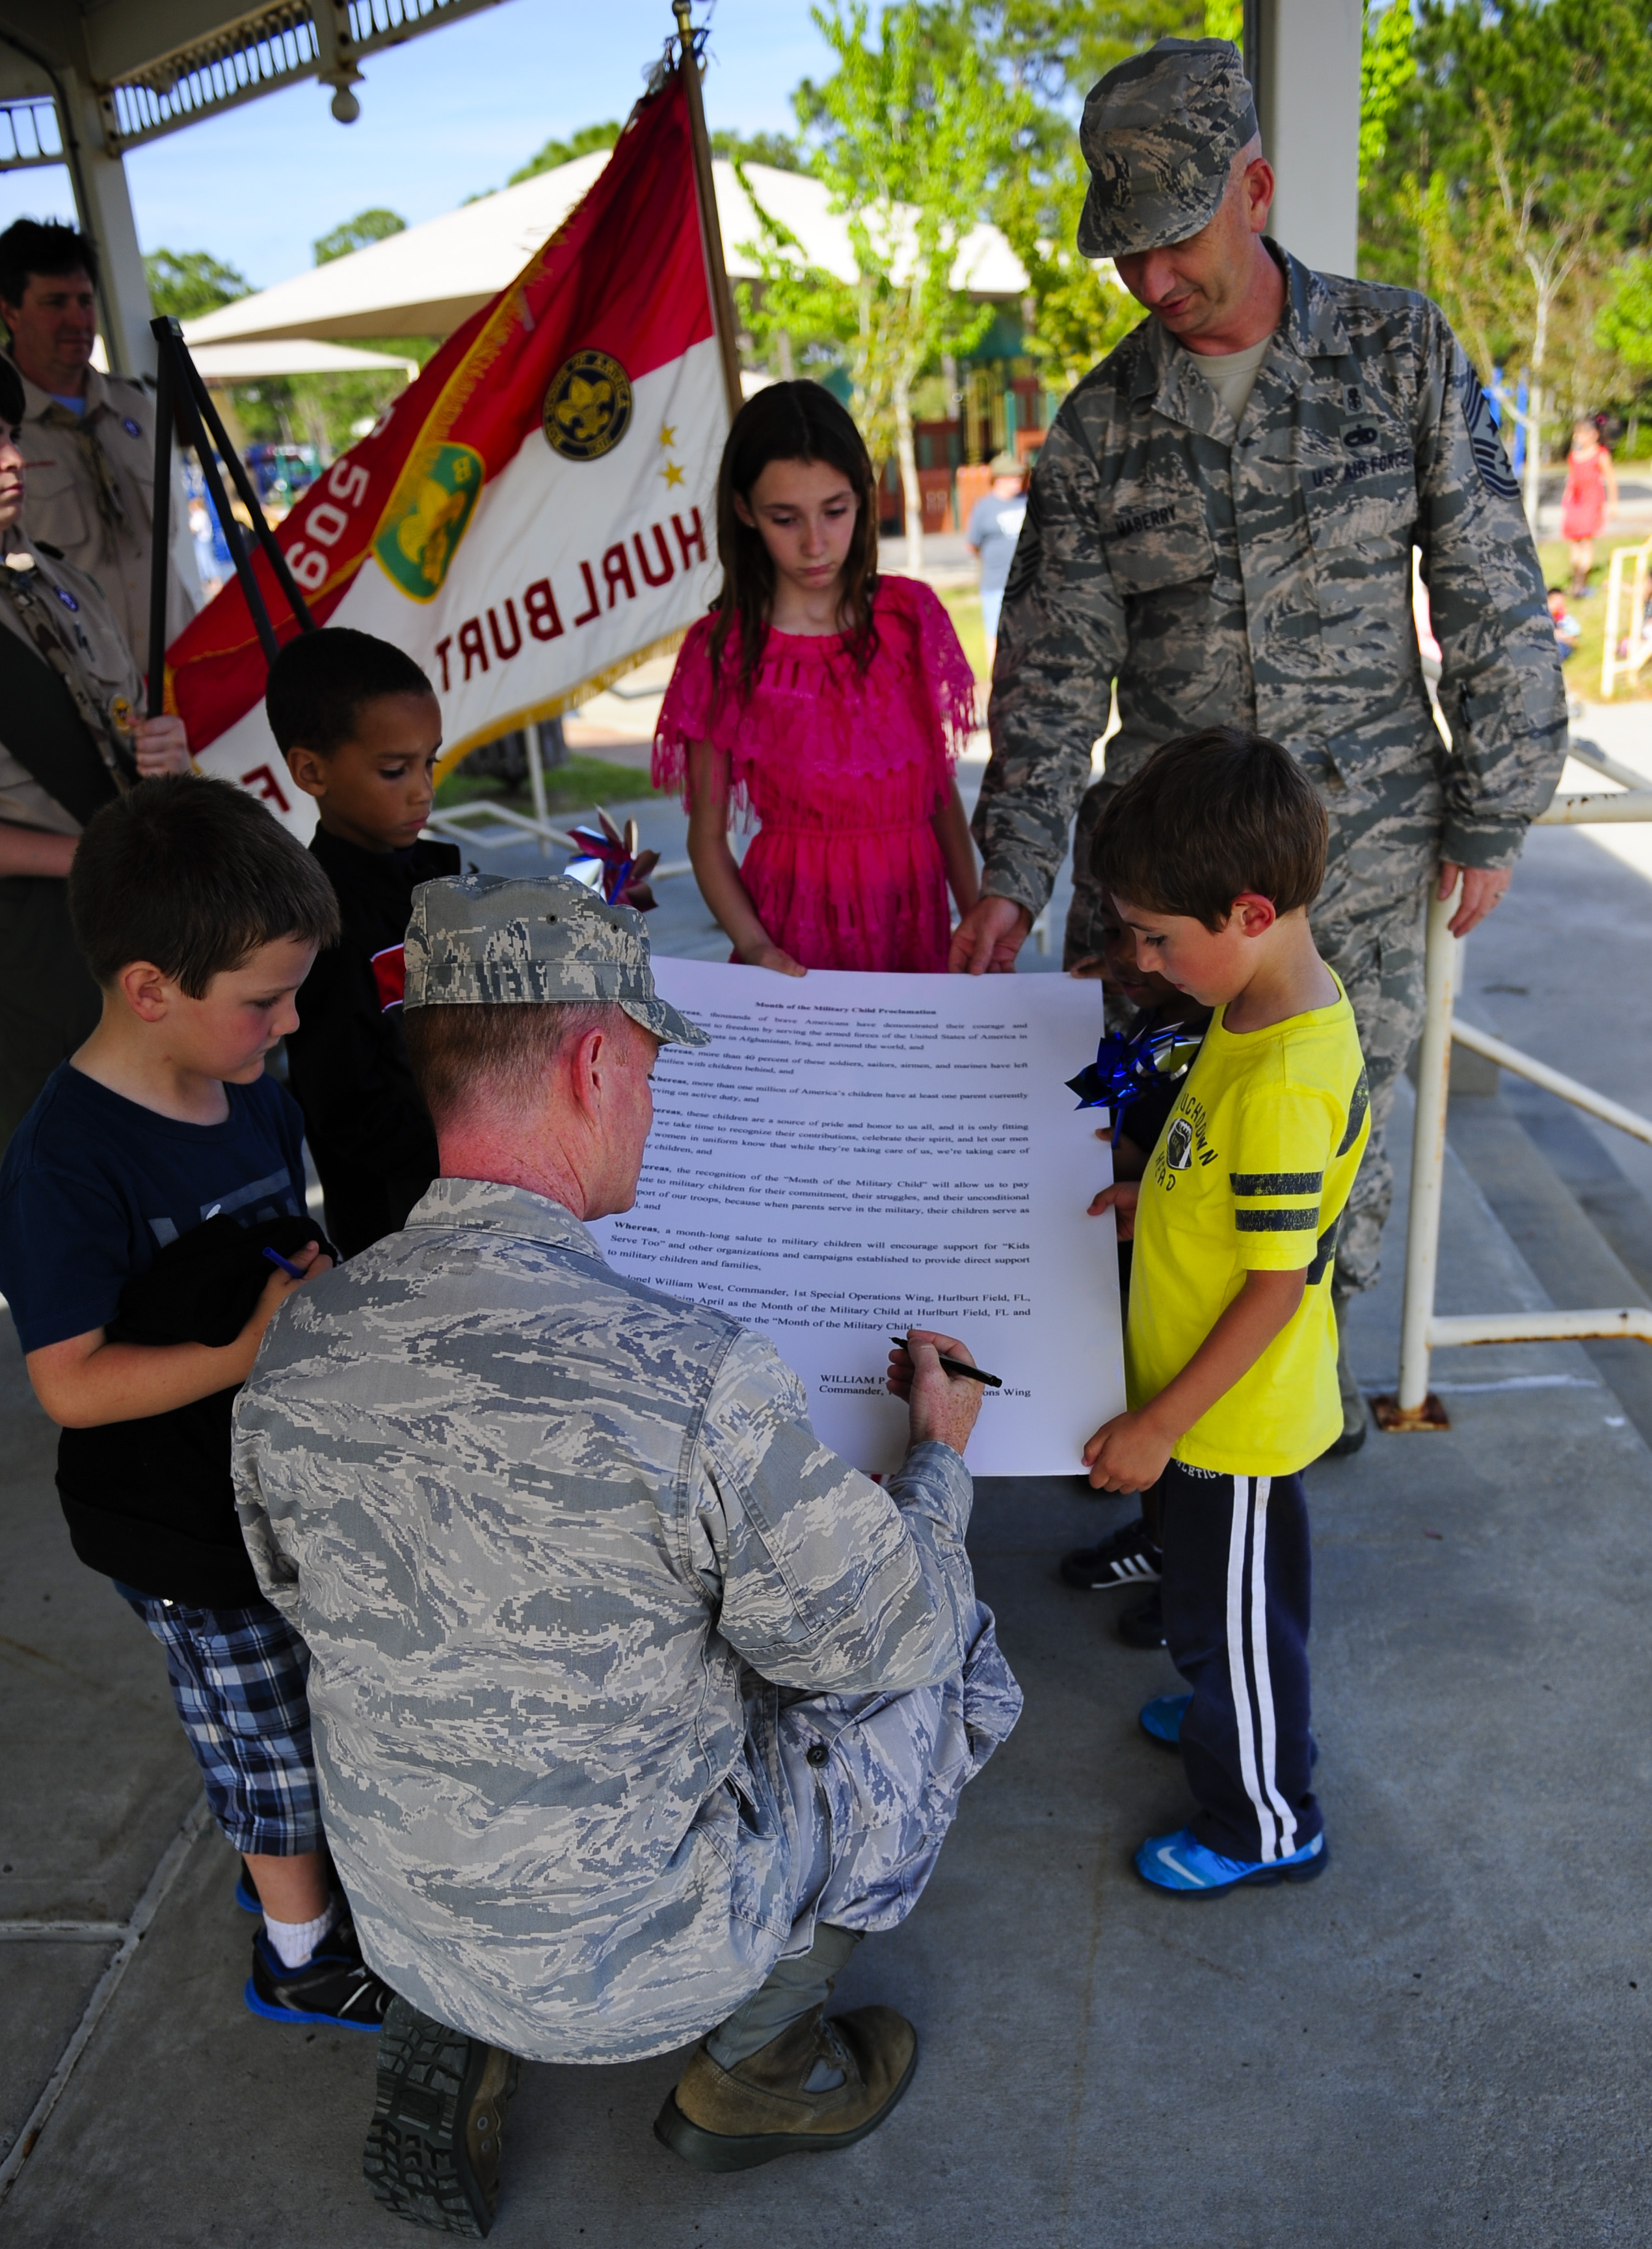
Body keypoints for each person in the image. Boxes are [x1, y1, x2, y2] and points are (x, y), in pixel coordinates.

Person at [233, 872, 1021, 2235]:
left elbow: (296, 1590)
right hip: (650, 1953)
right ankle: (754, 2062)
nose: (650, 1111)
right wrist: (935, 1461)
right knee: (948, 1657)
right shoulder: (690, 1375)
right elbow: (889, 1636)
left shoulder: (297, 1345)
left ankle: (453, 2005)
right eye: (650, 1074)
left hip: (404, 1911)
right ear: (596, 1062)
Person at [950, 35, 1567, 1455]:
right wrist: (1013, 871)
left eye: (1174, 240)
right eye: (1125, 255)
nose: (1153, 280)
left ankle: (1280, 1458)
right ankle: (1157, 1462)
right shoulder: (1102, 425)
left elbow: (1488, 577)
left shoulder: (1397, 351)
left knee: (1323, 1166)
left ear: (1254, 187)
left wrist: (1495, 804)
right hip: (1160, 896)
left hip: (1354, 863)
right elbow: (1047, 671)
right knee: (1143, 1158)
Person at [0, 774, 395, 2030]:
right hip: (169, 1519)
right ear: (150, 988)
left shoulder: (257, 1097)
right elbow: (67, 1381)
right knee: (265, 1735)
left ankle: (283, 1864)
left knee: (302, 1698)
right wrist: (241, 1351)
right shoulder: (64, 1163)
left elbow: (277, 1251)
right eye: (263, 1001)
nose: (286, 1025)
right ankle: (300, 1950)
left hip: (268, 1483)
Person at [1082, 729, 1366, 1896]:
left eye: (1159, 936)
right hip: (1206, 1411)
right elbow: (1229, 1189)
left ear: (1250, 911)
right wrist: (1157, 1200)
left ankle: (1265, 1818)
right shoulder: (1248, 1004)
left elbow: (1274, 1283)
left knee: (1241, 1617)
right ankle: (1228, 1689)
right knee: (1220, 1601)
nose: (1140, 960)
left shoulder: (1286, 1078)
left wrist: (1157, 1428)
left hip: (1230, 1422)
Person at [655, 381, 980, 975]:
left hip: (912, 924)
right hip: (789, 937)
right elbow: (706, 840)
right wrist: (754, 946)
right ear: (744, 510)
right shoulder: (721, 651)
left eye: (835, 511)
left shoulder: (910, 619)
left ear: (863, 495)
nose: (814, 544)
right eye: (785, 518)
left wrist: (977, 915)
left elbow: (939, 794)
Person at [0, 354, 194, 1148]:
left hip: (127, 912)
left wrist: (166, 752)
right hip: (29, 948)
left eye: (10, 433)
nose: (14, 458)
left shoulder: (58, 581)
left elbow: (128, 721)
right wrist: (92, 856)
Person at [268, 626, 460, 1255]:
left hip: (484, 1193)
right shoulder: (315, 922)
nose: (422, 790)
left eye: (429, 761)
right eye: (393, 769)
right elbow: (344, 1107)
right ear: (311, 771)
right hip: (397, 1228)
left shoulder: (441, 876)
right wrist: (468, 1148)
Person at [1061, 890, 1211, 1645]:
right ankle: (1158, 1543)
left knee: (1179, 1448)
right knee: (1142, 1410)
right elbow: (1091, 1105)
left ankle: (1187, 1583)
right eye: (1116, 936)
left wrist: (1089, 1144)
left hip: (1175, 1275)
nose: (1126, 955)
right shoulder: (1155, 1024)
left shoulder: (1198, 1041)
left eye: (1148, 941)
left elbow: (1139, 1148)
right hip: (1133, 1258)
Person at [0, 220, 201, 662]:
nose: (78, 319)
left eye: (86, 301)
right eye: (55, 303)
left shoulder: (137, 407)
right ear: (9, 312)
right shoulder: (6, 431)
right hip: (78, 693)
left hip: (177, 677)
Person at [965, 449, 1030, 669]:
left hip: (1026, 582)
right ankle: (997, 678)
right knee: (995, 633)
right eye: (1013, 477)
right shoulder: (984, 507)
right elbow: (972, 543)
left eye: (1020, 476)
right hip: (996, 583)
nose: (1018, 481)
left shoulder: (1027, 502)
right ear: (999, 479)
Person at [1560, 420, 1617, 597]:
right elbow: (1571, 479)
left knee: (1586, 542)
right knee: (1574, 542)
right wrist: (1566, 497)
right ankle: (1576, 581)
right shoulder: (1574, 456)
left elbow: (1611, 480)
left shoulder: (1600, 455)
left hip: (1591, 502)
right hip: (1575, 503)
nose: (1577, 438)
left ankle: (1582, 584)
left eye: (1581, 434)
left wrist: (1613, 503)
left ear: (1593, 435)